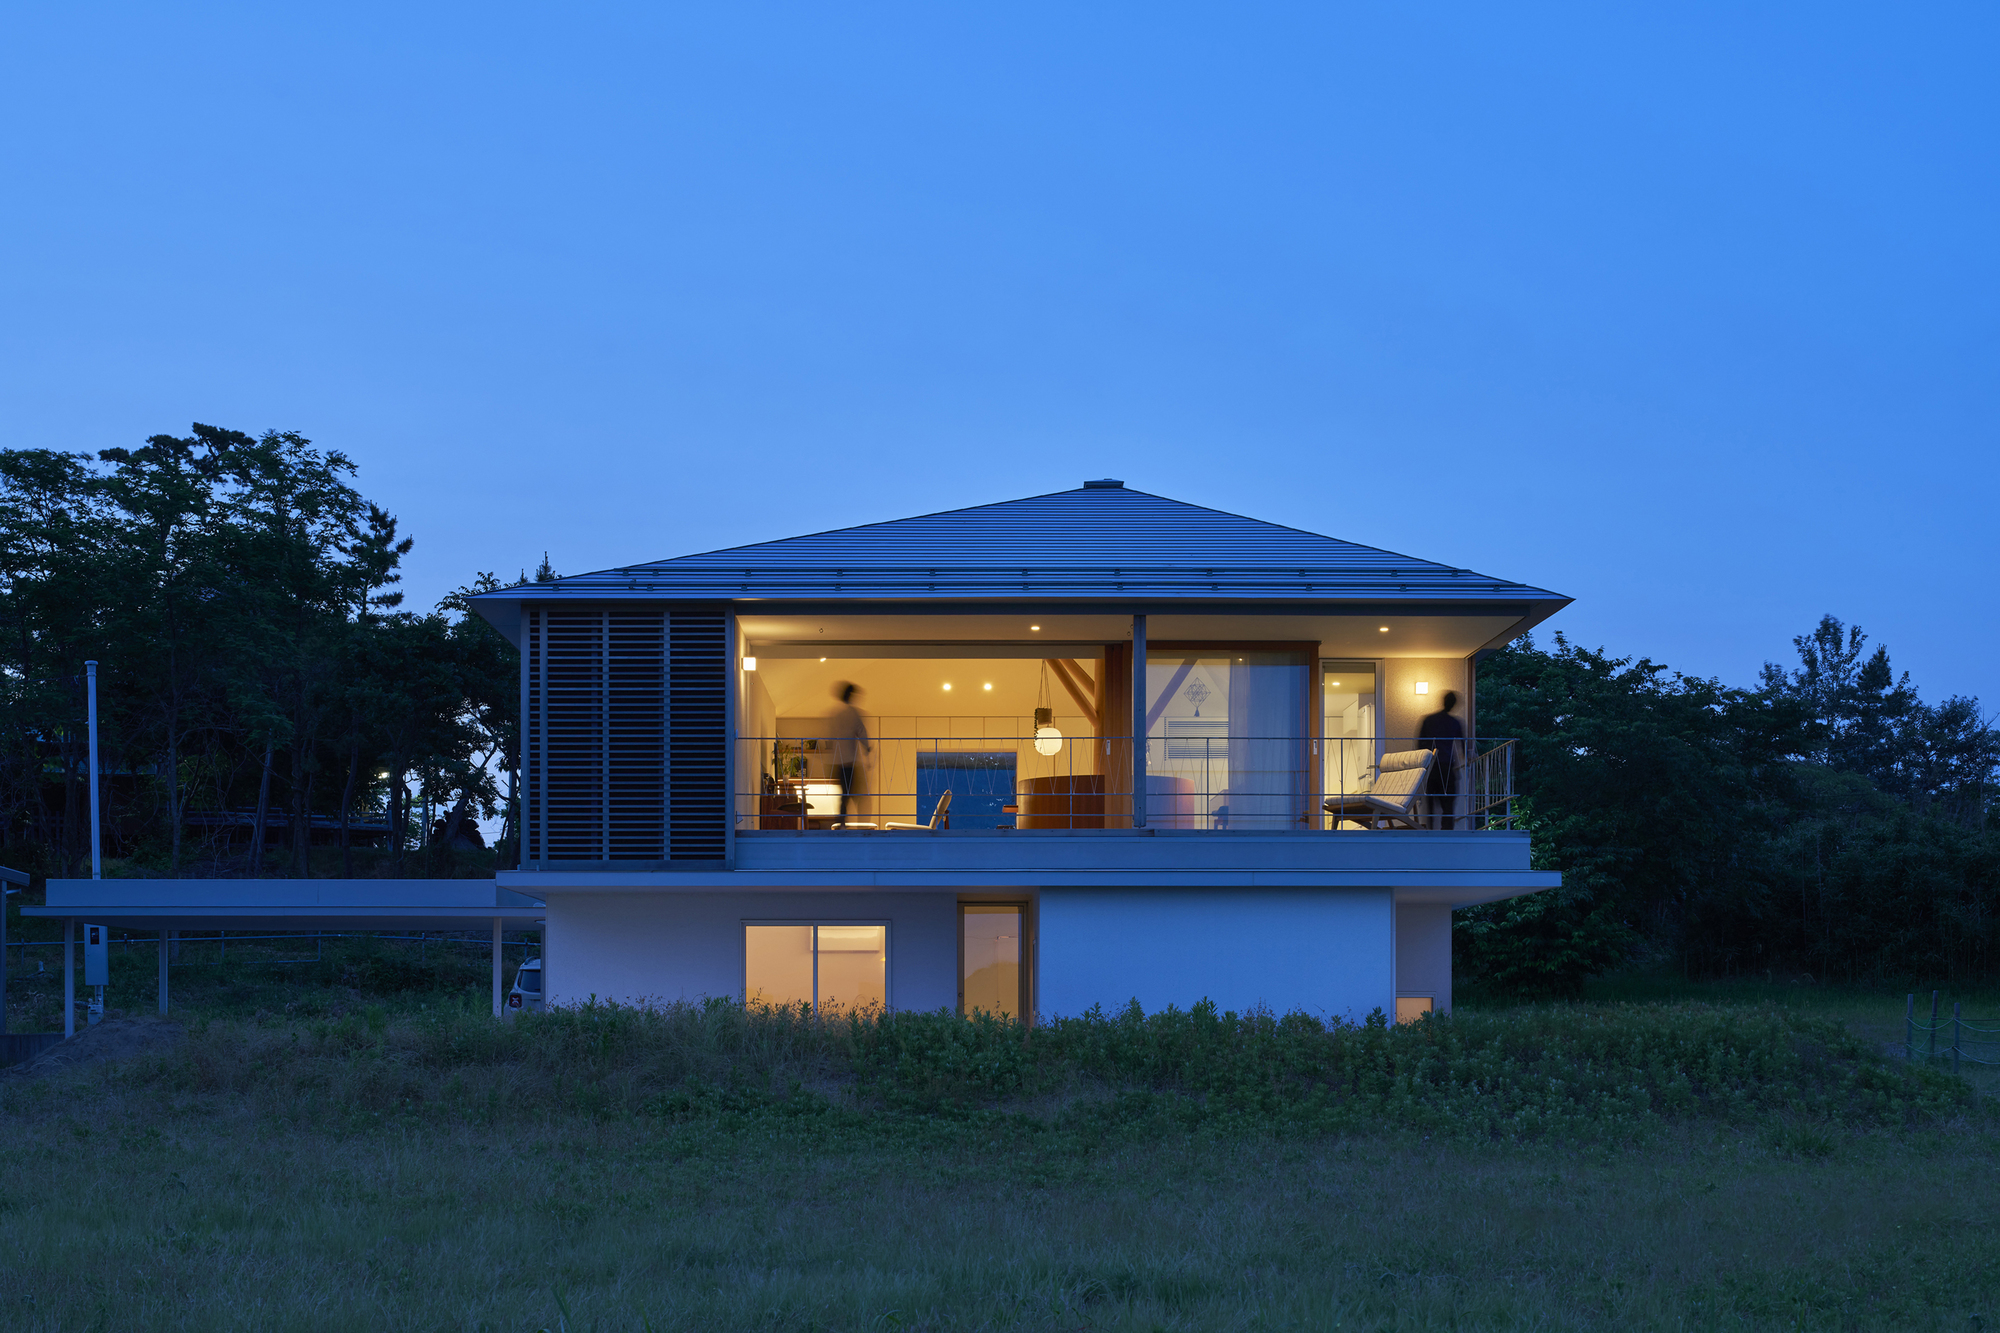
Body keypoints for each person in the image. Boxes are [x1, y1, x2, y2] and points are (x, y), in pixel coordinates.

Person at [1417, 689, 1465, 830]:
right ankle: (1447, 832)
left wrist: (1422, 764)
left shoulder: (1428, 720)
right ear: (1453, 704)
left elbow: (1420, 744)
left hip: (1431, 766)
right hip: (1446, 766)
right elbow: (1463, 744)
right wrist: (1467, 756)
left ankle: (1430, 830)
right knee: (1448, 803)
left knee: (1430, 803)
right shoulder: (1455, 722)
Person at [827, 682, 871, 820]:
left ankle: (842, 822)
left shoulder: (836, 714)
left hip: (838, 762)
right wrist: (867, 748)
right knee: (857, 795)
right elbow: (861, 732)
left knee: (844, 795)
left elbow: (830, 736)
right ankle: (860, 824)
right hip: (850, 761)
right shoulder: (853, 713)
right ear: (851, 695)